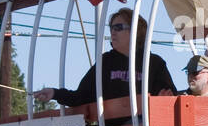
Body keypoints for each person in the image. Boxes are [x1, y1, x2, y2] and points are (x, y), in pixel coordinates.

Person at [33, 8, 178, 109]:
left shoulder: (153, 63)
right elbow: (81, 96)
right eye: (111, 28)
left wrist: (164, 98)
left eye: (118, 27)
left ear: (135, 30)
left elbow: (169, 96)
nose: (113, 32)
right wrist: (54, 93)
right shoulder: (106, 62)